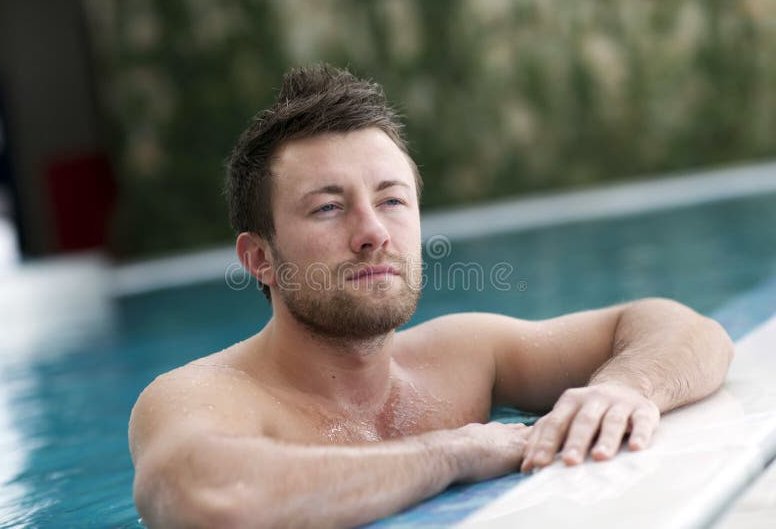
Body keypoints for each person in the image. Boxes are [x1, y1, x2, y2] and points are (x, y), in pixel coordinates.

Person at [128, 64, 734, 528]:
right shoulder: (204, 396)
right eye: (328, 208)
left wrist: (625, 389)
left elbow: (685, 330)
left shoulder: (462, 357)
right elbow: (198, 494)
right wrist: (452, 453)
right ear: (259, 258)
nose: (373, 233)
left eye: (392, 200)